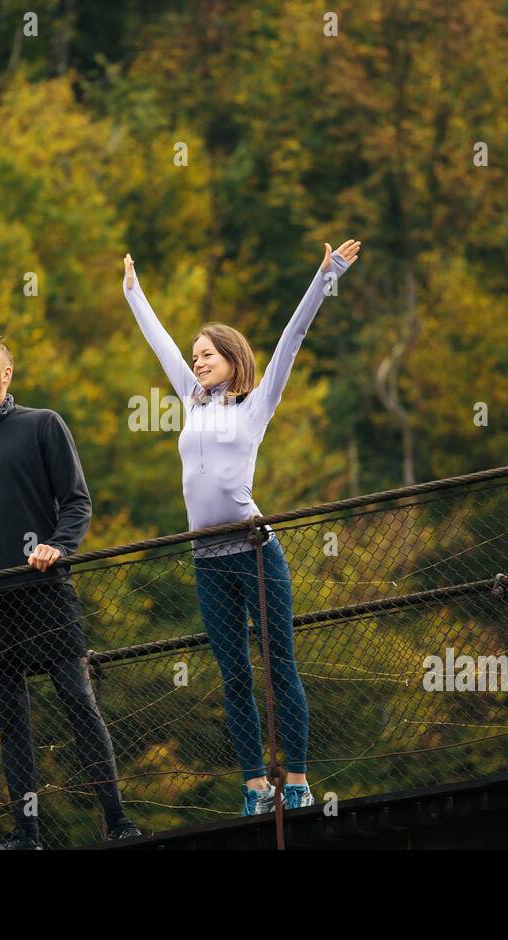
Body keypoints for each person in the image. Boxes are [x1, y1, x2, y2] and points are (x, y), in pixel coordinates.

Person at [121, 240, 360, 816]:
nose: (198, 361)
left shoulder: (255, 405)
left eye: (208, 354)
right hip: (207, 560)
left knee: (280, 666)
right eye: (195, 355)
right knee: (233, 677)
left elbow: (292, 339)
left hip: (255, 551)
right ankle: (255, 788)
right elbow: (158, 343)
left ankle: (297, 782)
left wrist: (325, 276)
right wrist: (133, 292)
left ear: (233, 357)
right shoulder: (191, 401)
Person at [0, 331, 142, 849]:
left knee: (79, 701)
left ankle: (119, 822)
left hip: (43, 589)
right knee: (11, 722)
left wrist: (58, 546)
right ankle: (28, 835)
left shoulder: (42, 425)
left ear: (5, 374)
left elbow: (77, 503)